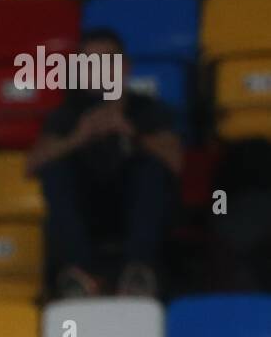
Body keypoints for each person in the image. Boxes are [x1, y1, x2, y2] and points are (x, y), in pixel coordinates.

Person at [26, 29, 183, 298]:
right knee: (55, 171)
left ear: (126, 66)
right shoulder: (68, 113)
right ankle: (81, 276)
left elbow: (175, 162)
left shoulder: (148, 109)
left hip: (137, 213)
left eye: (108, 60)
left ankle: (138, 275)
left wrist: (132, 134)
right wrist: (78, 138)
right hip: (86, 215)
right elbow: (32, 164)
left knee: (151, 170)